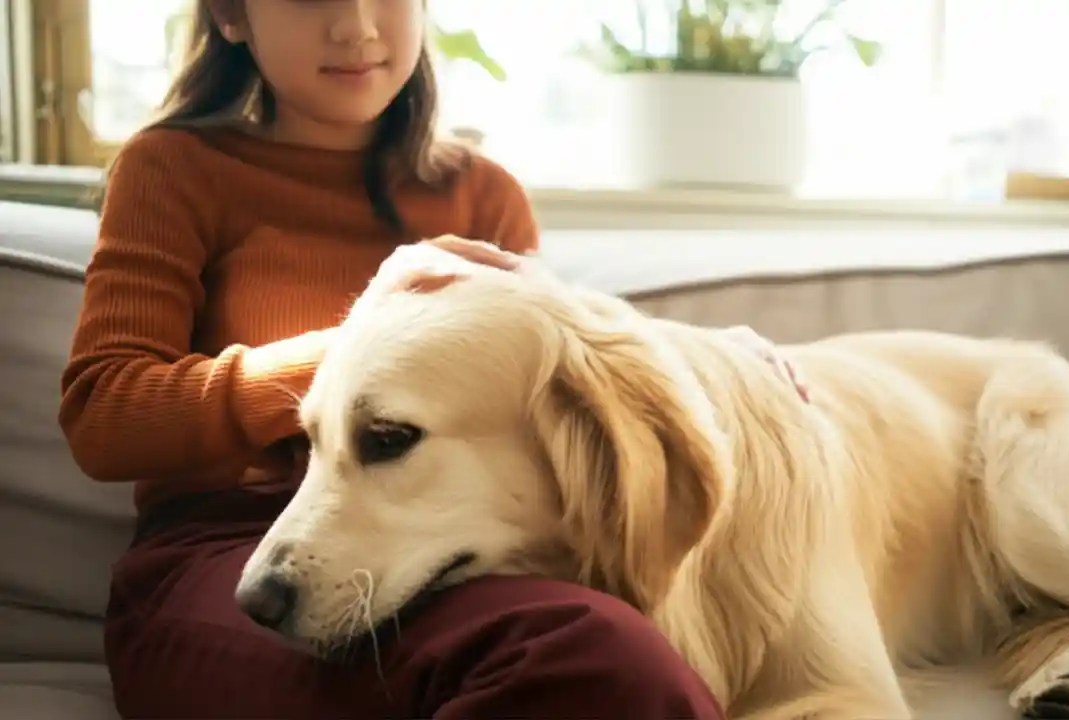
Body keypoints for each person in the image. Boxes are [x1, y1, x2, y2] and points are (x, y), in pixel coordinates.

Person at [58, 1, 805, 718]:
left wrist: (709, 361)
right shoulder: (172, 168)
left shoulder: (483, 194)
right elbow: (104, 416)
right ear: (231, 13)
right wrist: (364, 343)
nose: (355, 27)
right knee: (590, 657)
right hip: (231, 570)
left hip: (446, 571)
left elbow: (537, 378)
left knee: (611, 652)